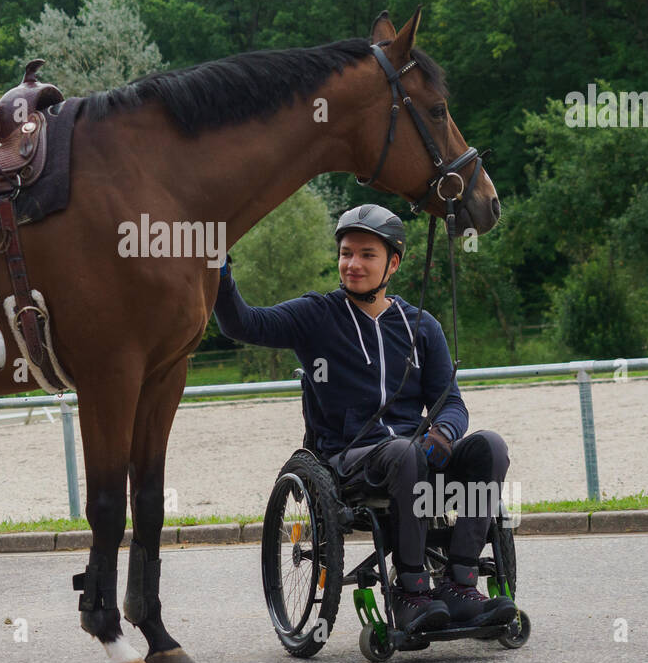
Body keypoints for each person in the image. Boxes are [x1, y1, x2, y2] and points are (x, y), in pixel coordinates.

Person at [214, 204, 516, 634]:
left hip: (416, 457)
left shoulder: (421, 325)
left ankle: (461, 583)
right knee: (403, 453)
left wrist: (445, 432)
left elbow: (452, 402)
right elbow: (241, 323)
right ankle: (410, 591)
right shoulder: (315, 315)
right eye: (346, 253)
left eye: (366, 254)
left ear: (393, 262)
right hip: (347, 463)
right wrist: (221, 270)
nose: (352, 264)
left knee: (491, 447)